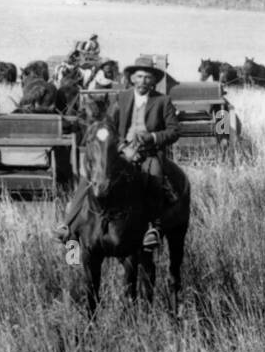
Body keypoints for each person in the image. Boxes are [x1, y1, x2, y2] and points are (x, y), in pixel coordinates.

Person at [55, 56, 180, 252]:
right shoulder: (121, 98)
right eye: (139, 77)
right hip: (121, 152)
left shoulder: (163, 101)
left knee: (154, 177)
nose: (143, 82)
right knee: (90, 177)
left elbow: (174, 131)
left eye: (147, 78)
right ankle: (68, 224)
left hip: (149, 153)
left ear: (153, 81)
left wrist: (153, 137)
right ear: (131, 78)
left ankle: (153, 229)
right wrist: (122, 148)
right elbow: (109, 127)